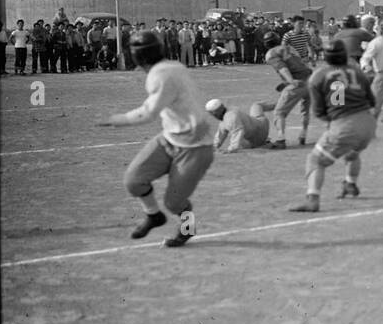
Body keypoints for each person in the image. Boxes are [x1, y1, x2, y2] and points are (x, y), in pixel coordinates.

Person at [96, 29, 216, 247]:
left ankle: (188, 229)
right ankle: (153, 215)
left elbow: (148, 113)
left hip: (196, 146)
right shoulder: (173, 66)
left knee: (174, 202)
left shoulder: (160, 74)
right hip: (170, 138)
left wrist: (119, 119)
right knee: (134, 180)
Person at [289, 40, 378, 212]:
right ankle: (350, 184)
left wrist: (334, 121)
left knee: (315, 160)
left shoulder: (318, 76)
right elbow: (372, 101)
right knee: (352, 152)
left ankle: (312, 199)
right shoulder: (357, 72)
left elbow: (319, 110)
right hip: (368, 124)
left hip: (345, 124)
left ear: (326, 56)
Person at [263, 31, 312, 148]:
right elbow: (300, 64)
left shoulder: (271, 53)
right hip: (310, 80)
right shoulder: (289, 48)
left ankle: (281, 139)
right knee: (305, 110)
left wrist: (290, 81)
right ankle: (303, 135)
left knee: (279, 112)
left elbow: (282, 68)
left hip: (297, 83)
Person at [208, 97, 276, 153]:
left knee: (237, 133)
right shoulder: (227, 113)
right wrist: (214, 146)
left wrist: (231, 149)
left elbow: (237, 132)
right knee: (256, 105)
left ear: (215, 113)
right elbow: (221, 132)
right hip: (259, 129)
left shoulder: (230, 117)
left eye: (211, 113)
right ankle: (280, 104)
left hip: (259, 132)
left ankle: (282, 103)